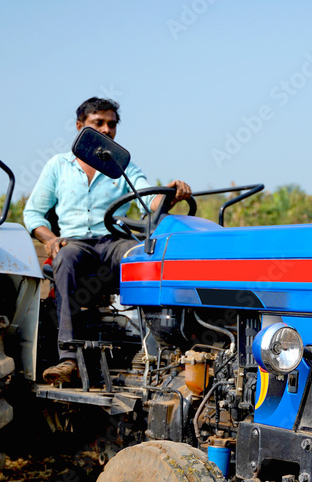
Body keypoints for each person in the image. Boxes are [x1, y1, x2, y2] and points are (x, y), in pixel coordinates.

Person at [23, 97, 192, 385]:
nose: (106, 130)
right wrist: (51, 239)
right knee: (65, 257)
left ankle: (157, 350)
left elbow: (149, 201)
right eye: (97, 123)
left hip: (114, 242)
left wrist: (171, 193)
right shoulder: (58, 166)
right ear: (80, 127)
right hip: (74, 245)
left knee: (141, 254)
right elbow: (33, 213)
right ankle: (69, 359)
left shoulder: (124, 166)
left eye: (111, 124)